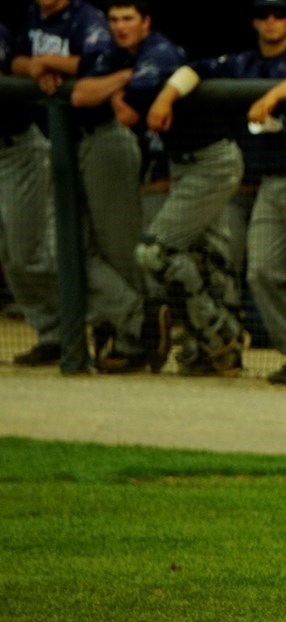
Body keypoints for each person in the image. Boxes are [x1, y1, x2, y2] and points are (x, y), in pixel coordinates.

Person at [152, 0, 286, 383]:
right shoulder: (243, 62)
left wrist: (270, 97)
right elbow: (195, 70)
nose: (271, 22)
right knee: (261, 270)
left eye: (279, 15)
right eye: (264, 15)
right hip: (270, 182)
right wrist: (166, 96)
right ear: (254, 22)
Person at [79, 1, 251, 377]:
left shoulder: (160, 51)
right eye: (114, 20)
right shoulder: (119, 53)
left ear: (145, 22)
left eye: (128, 19)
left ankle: (221, 332)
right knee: (200, 255)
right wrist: (119, 84)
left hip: (212, 161)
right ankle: (208, 348)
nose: (120, 27)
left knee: (154, 254)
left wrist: (142, 90)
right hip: (182, 164)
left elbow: (130, 110)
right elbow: (79, 95)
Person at [15, 0, 147, 374]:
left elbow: (90, 69)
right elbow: (17, 61)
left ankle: (131, 340)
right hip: (64, 143)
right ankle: (140, 321)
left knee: (118, 247)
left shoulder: (88, 20)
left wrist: (50, 64)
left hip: (105, 137)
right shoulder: (33, 18)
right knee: (61, 249)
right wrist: (35, 67)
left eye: (128, 19)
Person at [0, 18, 63, 369]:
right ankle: (53, 333)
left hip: (18, 150)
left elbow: (13, 63)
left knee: (26, 252)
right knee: (9, 254)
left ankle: (60, 333)